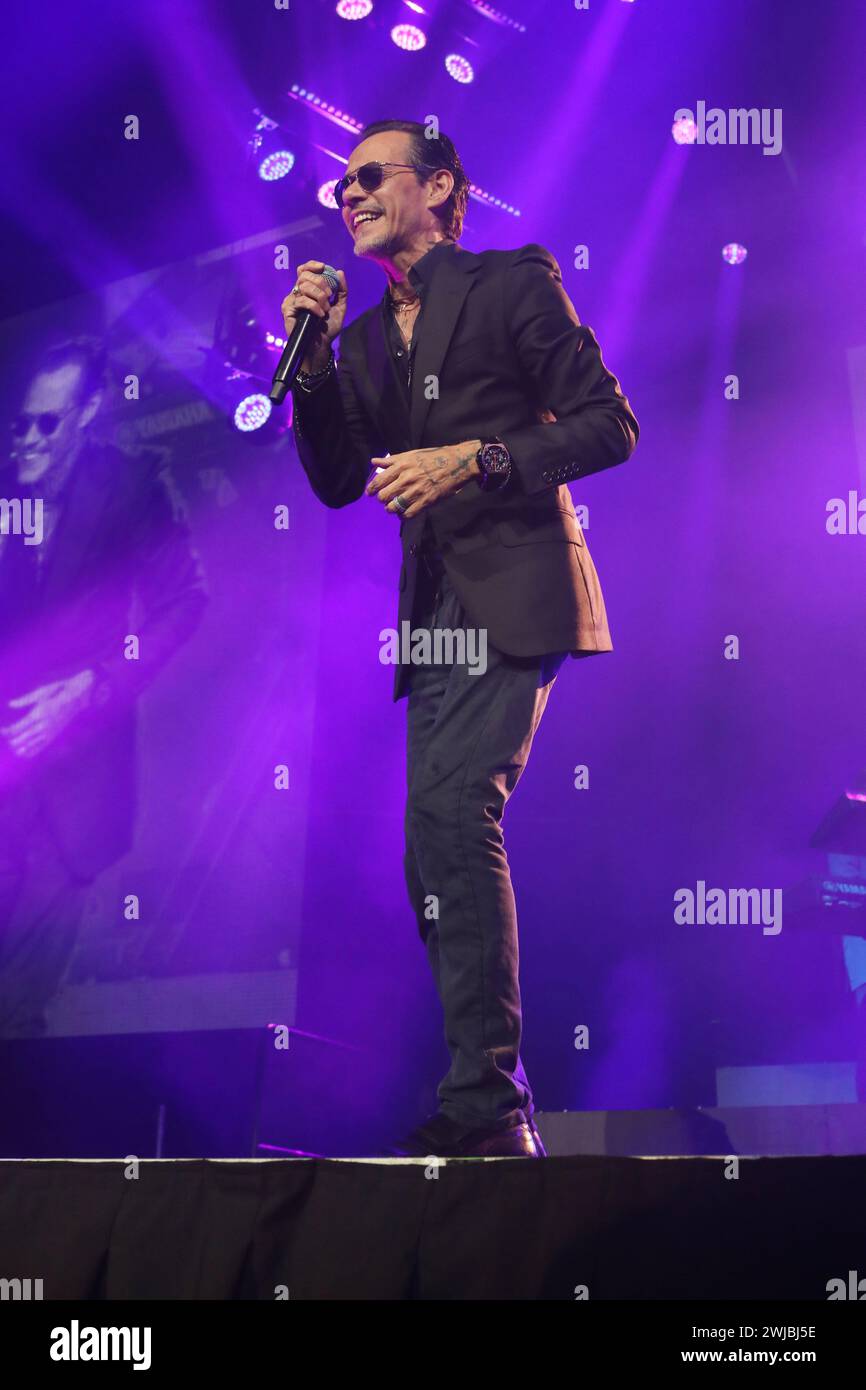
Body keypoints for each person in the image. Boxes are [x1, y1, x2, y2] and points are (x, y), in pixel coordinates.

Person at [284, 121, 639, 1158]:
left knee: (451, 814)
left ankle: (489, 1110)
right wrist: (307, 361)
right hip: (431, 614)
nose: (345, 194)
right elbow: (338, 477)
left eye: (368, 176)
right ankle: (484, 1095)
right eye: (337, 185)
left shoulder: (507, 281)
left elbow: (607, 424)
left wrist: (469, 459)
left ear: (438, 187)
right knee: (427, 846)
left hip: (515, 582)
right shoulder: (355, 337)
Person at [0, 337, 207, 1035]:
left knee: (18, 1014)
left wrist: (90, 688)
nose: (26, 438)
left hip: (74, 789)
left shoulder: (131, 486)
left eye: (47, 424)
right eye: (19, 422)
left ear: (87, 412)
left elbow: (184, 602)